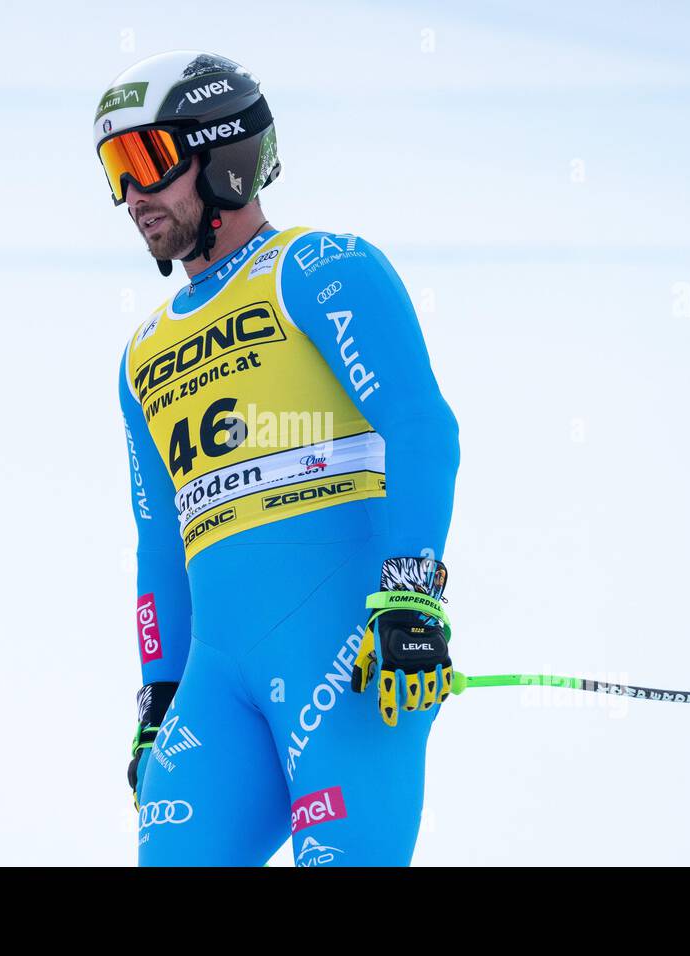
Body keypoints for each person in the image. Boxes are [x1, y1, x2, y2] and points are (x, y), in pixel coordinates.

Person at [96, 50, 460, 866]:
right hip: (217, 687)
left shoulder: (319, 268)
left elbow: (421, 426)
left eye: (148, 161)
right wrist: (159, 698)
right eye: (114, 170)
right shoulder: (142, 356)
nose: (132, 195)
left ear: (223, 157)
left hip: (348, 660)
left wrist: (411, 597)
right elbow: (162, 543)